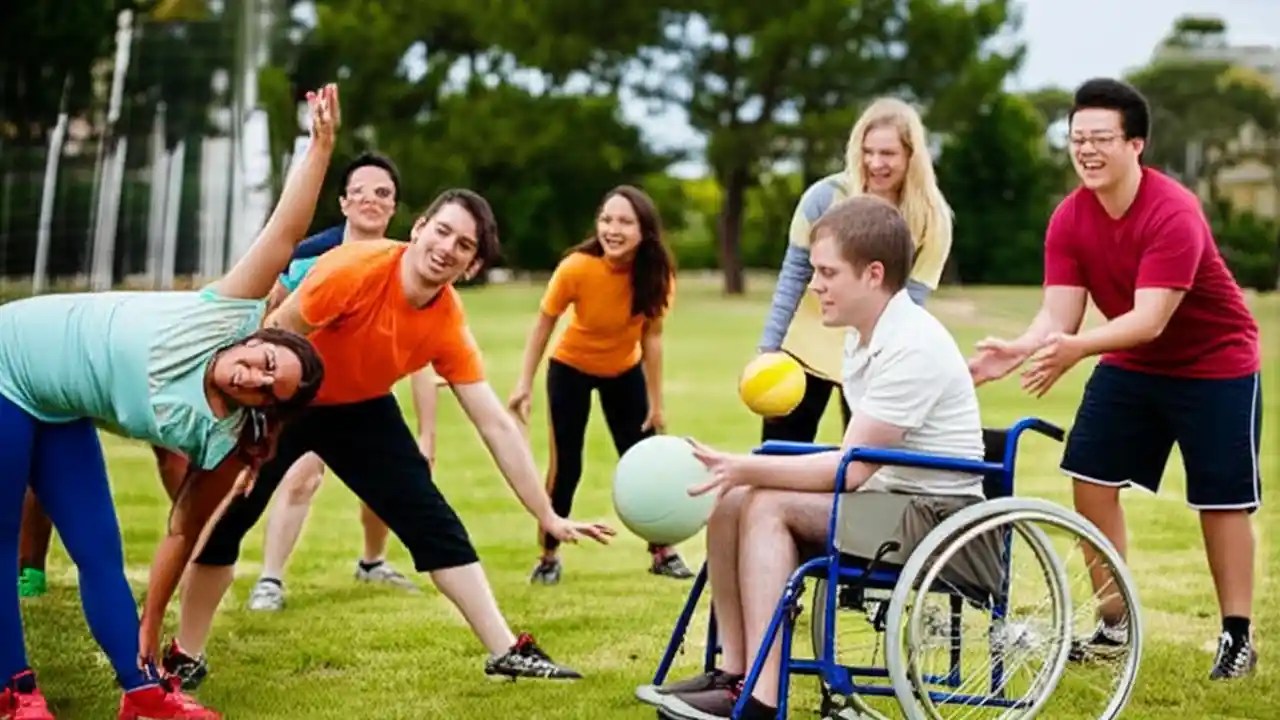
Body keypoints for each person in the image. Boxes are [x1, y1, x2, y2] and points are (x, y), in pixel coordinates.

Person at [159, 187, 617, 691]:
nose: (447, 248)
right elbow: (273, 338)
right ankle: (187, 652)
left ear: (470, 266)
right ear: (419, 228)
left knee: (433, 522)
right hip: (288, 402)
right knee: (226, 519)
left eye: (464, 246)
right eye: (442, 231)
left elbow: (494, 423)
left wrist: (545, 513)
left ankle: (507, 650)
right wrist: (251, 428)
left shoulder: (447, 321)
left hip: (362, 408)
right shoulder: (353, 268)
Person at [0, 83, 340, 720]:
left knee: (99, 547)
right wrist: (319, 146)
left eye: (271, 391)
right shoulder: (224, 314)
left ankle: (141, 692)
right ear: (259, 337)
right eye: (266, 363)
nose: (256, 379)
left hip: (60, 404)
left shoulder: (227, 439)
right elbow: (287, 231)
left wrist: (153, 622)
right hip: (8, 363)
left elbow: (181, 533)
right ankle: (14, 691)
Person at [638, 195, 985, 720]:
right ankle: (734, 675)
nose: (814, 284)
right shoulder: (862, 337)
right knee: (732, 499)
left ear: (872, 274)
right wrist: (740, 474)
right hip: (890, 501)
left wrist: (744, 465)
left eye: (827, 272)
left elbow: (852, 470)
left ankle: (760, 697)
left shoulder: (912, 344)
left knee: (765, 504)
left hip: (937, 518)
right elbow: (856, 463)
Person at [967, 77, 1263, 681]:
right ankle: (1114, 626)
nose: (1088, 150)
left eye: (1102, 137)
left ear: (1136, 145)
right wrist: (1024, 348)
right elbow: (1061, 312)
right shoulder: (1070, 217)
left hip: (1217, 362)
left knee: (1221, 500)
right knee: (1090, 476)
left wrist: (1075, 350)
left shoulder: (1173, 211)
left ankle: (1237, 637)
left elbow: (1151, 319)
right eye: (1078, 138)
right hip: (1132, 360)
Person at [243, 152, 438, 612]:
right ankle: (269, 580)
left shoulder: (405, 266)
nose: (371, 199)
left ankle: (372, 563)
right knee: (302, 476)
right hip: (308, 395)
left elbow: (421, 355)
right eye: (360, 192)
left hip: (366, 396)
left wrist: (428, 433)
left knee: (389, 480)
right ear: (343, 203)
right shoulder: (309, 255)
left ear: (394, 207)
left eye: (383, 193)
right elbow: (275, 319)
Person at [508, 186, 692, 584]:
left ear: (644, 230)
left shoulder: (657, 275)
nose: (613, 229)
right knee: (567, 466)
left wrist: (656, 404)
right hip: (570, 368)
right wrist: (524, 382)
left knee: (647, 462)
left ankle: (662, 550)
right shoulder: (577, 267)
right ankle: (548, 556)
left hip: (624, 372)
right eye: (607, 219)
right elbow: (544, 323)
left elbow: (652, 339)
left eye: (625, 221)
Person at [757, 97, 954, 443]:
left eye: (888, 154)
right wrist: (769, 349)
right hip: (804, 350)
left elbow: (912, 302)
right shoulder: (824, 197)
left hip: (873, 358)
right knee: (779, 453)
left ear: (911, 155)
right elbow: (793, 276)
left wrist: (895, 362)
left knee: (865, 465)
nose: (875, 163)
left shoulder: (932, 218)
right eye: (868, 151)